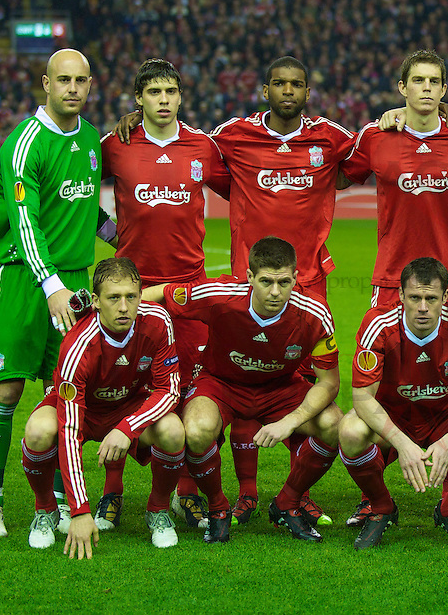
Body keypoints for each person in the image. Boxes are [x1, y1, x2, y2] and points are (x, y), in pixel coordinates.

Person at [117, 56, 353, 526]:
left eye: (297, 85)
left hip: (307, 284)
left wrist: (398, 117)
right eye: (280, 84)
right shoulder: (229, 136)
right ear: (265, 90)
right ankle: (227, 491)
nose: (289, 91)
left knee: (299, 390)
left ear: (308, 91)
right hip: (247, 284)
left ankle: (293, 494)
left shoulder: (331, 136)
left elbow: (366, 158)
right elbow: (184, 150)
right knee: (235, 379)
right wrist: (138, 122)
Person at [0, 48, 116, 538]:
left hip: (77, 282)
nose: (73, 89)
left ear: (90, 84)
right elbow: (25, 222)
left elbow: (87, 213)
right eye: (64, 80)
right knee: (7, 389)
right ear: (46, 83)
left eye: (81, 80)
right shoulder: (24, 144)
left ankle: (61, 501)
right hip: (23, 280)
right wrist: (51, 283)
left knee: (65, 395)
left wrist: (127, 239)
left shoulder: (92, 143)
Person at [98, 58, 229, 531]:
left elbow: (242, 190)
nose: (164, 100)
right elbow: (76, 196)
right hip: (129, 290)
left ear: (180, 96)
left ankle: (185, 493)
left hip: (188, 288)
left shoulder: (203, 147)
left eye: (171, 91)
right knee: (125, 387)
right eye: (154, 92)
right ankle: (111, 493)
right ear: (139, 98)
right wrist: (113, 234)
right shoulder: (115, 145)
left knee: (190, 389)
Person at [144, 236, 343, 543]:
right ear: (250, 278)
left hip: (281, 388)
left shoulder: (315, 314)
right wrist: (114, 308)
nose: (275, 292)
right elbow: (159, 294)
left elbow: (329, 382)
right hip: (221, 384)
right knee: (196, 430)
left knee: (334, 425)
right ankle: (219, 508)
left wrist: (290, 422)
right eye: (266, 281)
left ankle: (287, 502)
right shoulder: (219, 295)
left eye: (284, 282)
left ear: (296, 277)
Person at [337, 257, 448, 549]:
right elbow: (362, 397)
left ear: (445, 297)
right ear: (401, 296)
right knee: (350, 431)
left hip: (445, 415)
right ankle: (381, 507)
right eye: (415, 297)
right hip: (393, 414)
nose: (422, 307)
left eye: (431, 298)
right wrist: (402, 443)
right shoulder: (378, 323)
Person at [20, 258, 184, 558]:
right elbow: (69, 430)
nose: (124, 307)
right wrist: (80, 511)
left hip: (129, 406)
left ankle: (158, 510)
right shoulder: (77, 344)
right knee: (38, 431)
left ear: (140, 294)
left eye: (131, 297)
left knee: (173, 430)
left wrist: (127, 428)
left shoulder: (158, 322)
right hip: (84, 411)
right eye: (113, 298)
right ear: (95, 301)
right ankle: (46, 509)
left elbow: (169, 389)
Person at [340, 49, 448, 310]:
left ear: (444, 89)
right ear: (402, 87)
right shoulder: (375, 136)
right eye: (418, 80)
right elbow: (337, 179)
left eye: (434, 82)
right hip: (393, 276)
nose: (427, 88)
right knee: (384, 350)